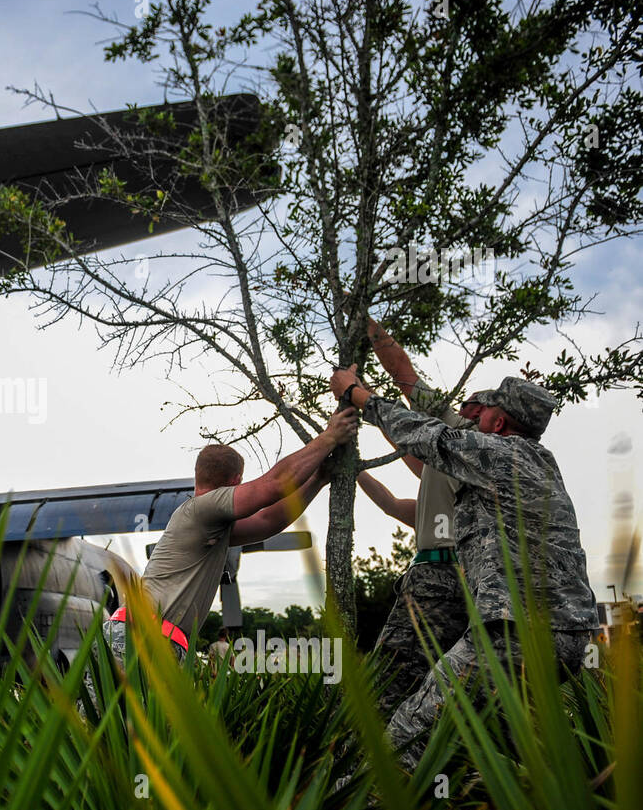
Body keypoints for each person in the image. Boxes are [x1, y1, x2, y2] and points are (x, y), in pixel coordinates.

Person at [329, 366, 597, 769]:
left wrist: (356, 394)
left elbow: (423, 434)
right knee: (485, 738)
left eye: (487, 409)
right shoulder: (542, 463)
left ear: (499, 421)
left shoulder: (496, 453)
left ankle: (351, 806)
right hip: (570, 639)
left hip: (514, 636)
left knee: (407, 736)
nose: (477, 413)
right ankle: (530, 801)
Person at [99, 408, 359, 672]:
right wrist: (330, 437)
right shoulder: (204, 507)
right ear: (235, 481)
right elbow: (275, 485)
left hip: (144, 636)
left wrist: (318, 479)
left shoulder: (208, 524)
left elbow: (268, 521)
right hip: (143, 637)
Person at [356, 316, 484, 712]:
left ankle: (372, 765)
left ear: (480, 415)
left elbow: (403, 373)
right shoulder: (450, 469)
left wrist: (363, 321)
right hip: (461, 583)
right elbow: (403, 468)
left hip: (439, 580)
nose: (457, 408)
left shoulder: (467, 439)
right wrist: (355, 468)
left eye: (468, 407)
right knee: (451, 693)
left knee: (388, 685)